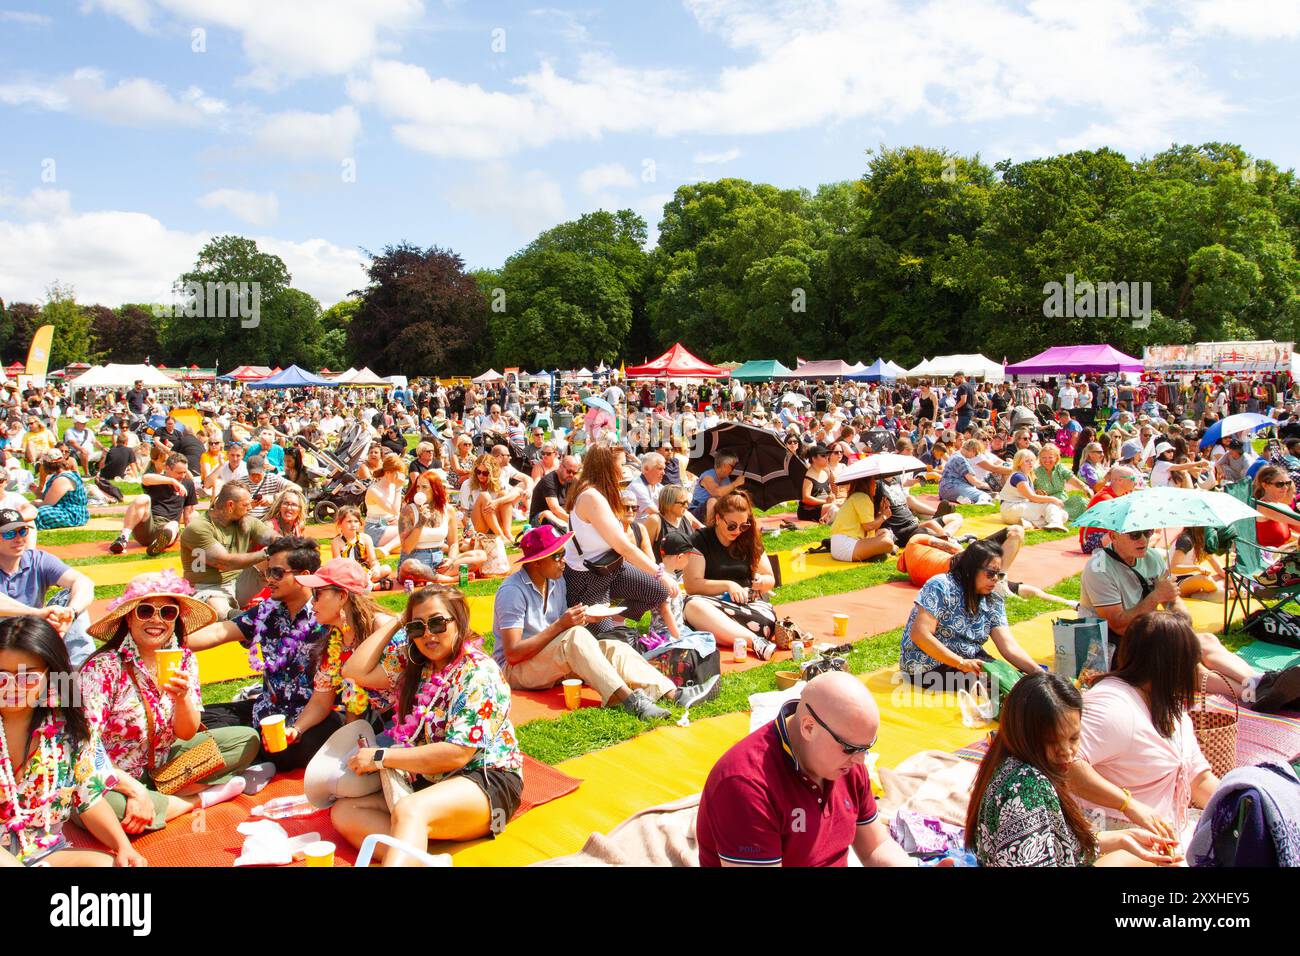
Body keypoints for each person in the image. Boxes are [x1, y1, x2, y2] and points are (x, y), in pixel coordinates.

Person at [333, 586, 524, 864]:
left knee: (411, 810)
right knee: (345, 811)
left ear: (459, 620)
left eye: (437, 623)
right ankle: (415, 850)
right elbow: (354, 671)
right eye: (417, 627)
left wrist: (381, 757)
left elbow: (458, 753)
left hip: (484, 780)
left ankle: (410, 843)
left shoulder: (480, 673)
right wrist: (398, 621)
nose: (428, 635)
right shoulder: (413, 663)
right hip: (427, 780)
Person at [79, 572, 262, 834]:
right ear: (129, 618)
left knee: (245, 740)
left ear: (175, 618)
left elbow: (186, 733)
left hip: (164, 767)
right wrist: (133, 790)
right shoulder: (104, 668)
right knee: (106, 807)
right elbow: (86, 746)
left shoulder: (184, 659)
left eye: (167, 612)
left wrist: (183, 695)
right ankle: (197, 799)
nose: (156, 620)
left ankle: (157, 801)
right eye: (145, 611)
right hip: (114, 777)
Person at [494, 526, 714, 722]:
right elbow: (513, 654)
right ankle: (630, 701)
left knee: (613, 646)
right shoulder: (513, 592)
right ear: (538, 561)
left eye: (563, 553)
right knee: (576, 636)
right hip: (517, 671)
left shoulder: (556, 581)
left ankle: (674, 694)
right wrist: (561, 626)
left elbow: (559, 634)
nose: (564, 560)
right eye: (557, 555)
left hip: (547, 662)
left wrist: (585, 618)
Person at [696, 671, 913, 867]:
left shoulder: (847, 763)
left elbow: (876, 846)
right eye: (849, 748)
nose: (860, 759)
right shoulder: (745, 786)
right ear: (809, 727)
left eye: (867, 747)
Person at [1077, 521, 1300, 711]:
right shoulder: (1099, 569)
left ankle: (1259, 683)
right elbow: (1117, 625)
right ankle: (1257, 691)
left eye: (1148, 532)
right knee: (1185, 664)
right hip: (1105, 647)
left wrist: (1181, 623)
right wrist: (1156, 598)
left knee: (1204, 641)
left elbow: (1174, 602)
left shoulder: (1151, 558)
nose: (1143, 539)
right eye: (1135, 535)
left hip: (1144, 635)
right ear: (1113, 535)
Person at [968, 671, 1178, 866]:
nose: (1067, 751)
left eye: (1074, 738)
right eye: (1052, 741)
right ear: (1025, 735)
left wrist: (1123, 838)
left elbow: (1055, 845)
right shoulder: (1026, 785)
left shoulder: (1008, 763)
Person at [0, 617, 145, 867]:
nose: (13, 687)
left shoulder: (72, 729)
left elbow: (88, 799)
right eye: (1, 676)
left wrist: (123, 847)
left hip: (43, 850)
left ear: (51, 675)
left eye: (28, 677)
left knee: (112, 866)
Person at [1067, 611, 1220, 845]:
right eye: (1192, 664)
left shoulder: (1172, 709)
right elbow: (1065, 767)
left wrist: (1241, 802)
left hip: (1163, 834)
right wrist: (1127, 805)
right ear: (1173, 666)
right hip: (1113, 838)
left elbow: (1198, 779)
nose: (1197, 672)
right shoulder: (1114, 709)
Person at [191, 536, 338, 771]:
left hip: (313, 716)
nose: (269, 579)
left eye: (277, 573)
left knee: (292, 751)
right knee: (199, 720)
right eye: (268, 572)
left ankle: (245, 750)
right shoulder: (267, 611)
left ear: (303, 575)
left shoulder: (325, 617)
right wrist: (171, 641)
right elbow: (220, 631)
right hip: (267, 709)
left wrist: (296, 728)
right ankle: (249, 747)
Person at [897, 541, 1039, 685]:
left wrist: (1038, 672)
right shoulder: (941, 586)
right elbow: (920, 635)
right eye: (990, 573)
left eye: (998, 574)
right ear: (970, 569)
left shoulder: (993, 600)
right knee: (999, 687)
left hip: (968, 659)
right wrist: (960, 663)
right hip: (926, 664)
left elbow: (1008, 646)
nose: (995, 579)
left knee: (1016, 680)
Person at [296, 558, 398, 730]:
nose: (312, 602)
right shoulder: (335, 641)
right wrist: (295, 730)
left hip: (407, 721)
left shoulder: (383, 628)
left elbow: (400, 682)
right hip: (376, 723)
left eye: (316, 593)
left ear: (342, 596)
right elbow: (321, 700)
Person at [683, 490, 780, 658]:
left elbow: (770, 579)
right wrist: (728, 585)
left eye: (744, 525)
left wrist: (761, 581)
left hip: (751, 607)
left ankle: (730, 634)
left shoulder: (750, 539)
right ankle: (754, 641)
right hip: (713, 606)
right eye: (732, 525)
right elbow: (692, 585)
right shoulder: (700, 540)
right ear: (718, 518)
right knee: (692, 606)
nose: (738, 531)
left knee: (764, 620)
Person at [0, 507, 95, 666]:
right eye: (9, 534)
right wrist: (36, 613)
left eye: (22, 531)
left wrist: (70, 613)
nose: (18, 539)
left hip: (30, 631)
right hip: (6, 632)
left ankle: (81, 669)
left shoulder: (38, 560)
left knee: (72, 601)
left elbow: (83, 582)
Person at [179, 483, 275, 619]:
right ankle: (244, 623)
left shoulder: (246, 521)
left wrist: (286, 545)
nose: (250, 507)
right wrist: (266, 553)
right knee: (219, 609)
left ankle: (292, 602)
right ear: (230, 505)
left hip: (239, 581)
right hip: (207, 587)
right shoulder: (198, 528)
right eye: (245, 504)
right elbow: (224, 563)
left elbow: (272, 538)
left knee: (282, 554)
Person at [398, 469, 485, 585]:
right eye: (418, 487)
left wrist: (451, 560)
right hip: (415, 560)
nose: (420, 491)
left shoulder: (448, 510)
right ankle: (450, 579)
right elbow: (407, 548)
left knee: (480, 555)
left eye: (424, 487)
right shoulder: (408, 511)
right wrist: (420, 523)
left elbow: (453, 543)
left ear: (435, 489)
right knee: (409, 566)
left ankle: (430, 578)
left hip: (439, 563)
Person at [109, 452, 196, 556]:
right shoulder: (157, 479)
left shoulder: (188, 484)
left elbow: (188, 513)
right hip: (147, 526)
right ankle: (123, 538)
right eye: (178, 473)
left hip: (167, 527)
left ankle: (158, 545)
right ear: (167, 468)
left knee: (174, 524)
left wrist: (189, 538)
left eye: (184, 472)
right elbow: (145, 478)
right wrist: (172, 481)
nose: (182, 476)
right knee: (143, 498)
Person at [827, 476, 896, 563]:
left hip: (841, 545)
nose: (875, 485)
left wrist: (881, 512)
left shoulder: (857, 496)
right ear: (866, 483)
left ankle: (879, 552)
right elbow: (869, 526)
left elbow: (869, 527)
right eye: (873, 482)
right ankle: (887, 549)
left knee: (885, 531)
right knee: (888, 542)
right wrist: (884, 516)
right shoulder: (862, 497)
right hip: (846, 546)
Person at [998, 449, 1069, 531]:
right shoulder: (1018, 476)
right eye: (1026, 461)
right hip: (1010, 509)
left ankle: (1029, 524)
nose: (1030, 463)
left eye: (1032, 460)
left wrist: (1038, 494)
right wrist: (1053, 499)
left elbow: (1029, 496)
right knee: (1050, 505)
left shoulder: (1026, 475)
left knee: (1063, 515)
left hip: (1017, 509)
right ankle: (1055, 524)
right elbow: (1032, 497)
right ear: (1019, 463)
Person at [332, 505, 397, 590]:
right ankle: (372, 586)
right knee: (337, 578)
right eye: (349, 521)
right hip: (346, 573)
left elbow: (373, 561)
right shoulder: (337, 542)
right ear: (340, 524)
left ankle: (361, 585)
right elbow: (337, 565)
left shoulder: (366, 538)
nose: (353, 525)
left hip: (365, 572)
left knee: (386, 569)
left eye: (356, 521)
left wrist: (375, 568)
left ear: (360, 523)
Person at [33, 450, 89, 531]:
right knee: (31, 509)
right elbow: (48, 498)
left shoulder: (63, 479)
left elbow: (48, 503)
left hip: (72, 513)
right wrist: (36, 491)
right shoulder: (56, 476)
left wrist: (35, 503)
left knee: (40, 512)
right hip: (61, 508)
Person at [1033, 443, 1090, 521]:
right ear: (1040, 458)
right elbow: (1029, 490)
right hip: (1047, 504)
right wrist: (1036, 492)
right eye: (1044, 458)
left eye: (1050, 457)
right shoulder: (1035, 472)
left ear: (1056, 458)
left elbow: (1071, 478)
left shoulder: (1060, 468)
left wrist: (1085, 487)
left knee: (1082, 501)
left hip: (1063, 502)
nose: (1047, 460)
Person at [1251, 464, 1300, 548]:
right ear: (1265, 485)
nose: (1285, 488)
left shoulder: (1283, 506)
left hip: (1279, 555)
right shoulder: (1264, 507)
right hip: (1267, 558)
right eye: (1279, 484)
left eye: (1287, 483)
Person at [688, 453, 746, 523]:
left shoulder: (726, 479)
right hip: (696, 512)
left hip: (716, 512)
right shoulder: (708, 476)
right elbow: (716, 492)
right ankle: (708, 530)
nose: (733, 470)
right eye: (732, 467)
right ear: (725, 465)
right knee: (712, 500)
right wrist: (735, 483)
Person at [528, 453, 578, 530]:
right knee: (547, 513)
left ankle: (568, 529)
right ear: (561, 466)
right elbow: (555, 509)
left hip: (560, 518)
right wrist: (575, 522)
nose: (571, 475)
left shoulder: (571, 480)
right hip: (539, 519)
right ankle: (568, 529)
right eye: (569, 471)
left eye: (574, 473)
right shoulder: (549, 481)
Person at [628, 452, 666, 520]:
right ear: (646, 469)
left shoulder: (657, 485)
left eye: (664, 469)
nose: (663, 472)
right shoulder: (636, 487)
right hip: (640, 528)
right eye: (660, 468)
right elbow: (654, 512)